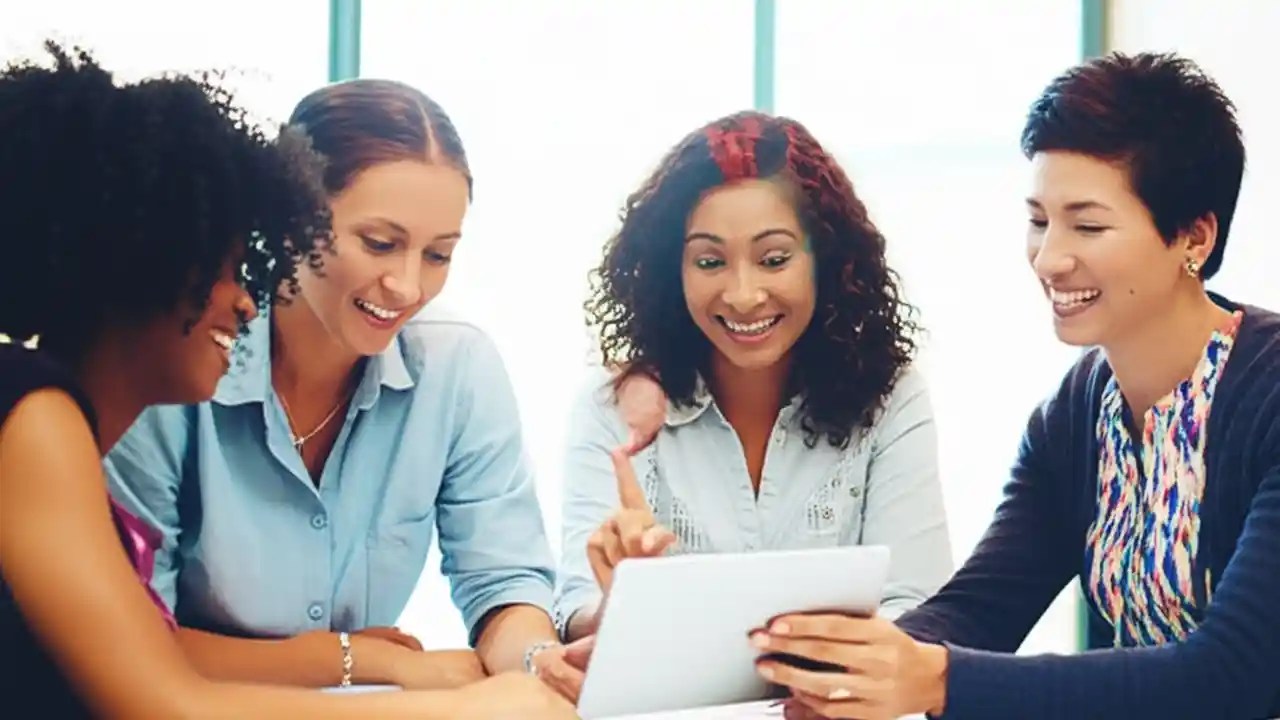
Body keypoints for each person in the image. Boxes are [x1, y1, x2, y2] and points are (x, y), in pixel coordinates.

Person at [0, 41, 579, 719]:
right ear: (141, 265)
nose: (245, 300)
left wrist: (534, 667)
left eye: (440, 253)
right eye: (223, 267)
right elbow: (166, 701)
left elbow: (144, 666)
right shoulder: (36, 416)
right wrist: (453, 704)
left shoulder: (53, 415)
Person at [746, 52, 1280, 720]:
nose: (1050, 257)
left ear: (1193, 237)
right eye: (1039, 219)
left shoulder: (1268, 398)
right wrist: (814, 668)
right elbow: (976, 611)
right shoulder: (1075, 418)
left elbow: (1233, 675)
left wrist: (938, 681)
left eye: (1087, 225)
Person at [553, 110, 954, 643]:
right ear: (672, 271)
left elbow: (918, 605)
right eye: (709, 262)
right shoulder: (611, 409)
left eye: (773, 259)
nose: (743, 295)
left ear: (825, 260)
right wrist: (619, 597)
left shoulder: (891, 400)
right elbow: (576, 613)